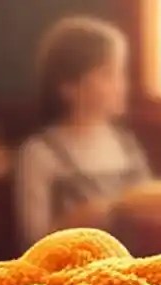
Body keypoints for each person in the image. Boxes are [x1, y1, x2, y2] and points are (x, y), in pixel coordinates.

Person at [15, 16, 152, 248]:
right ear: (68, 87)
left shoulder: (127, 145)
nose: (121, 85)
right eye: (108, 74)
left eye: (121, 74)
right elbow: (34, 241)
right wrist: (78, 220)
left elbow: (150, 212)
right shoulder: (40, 153)